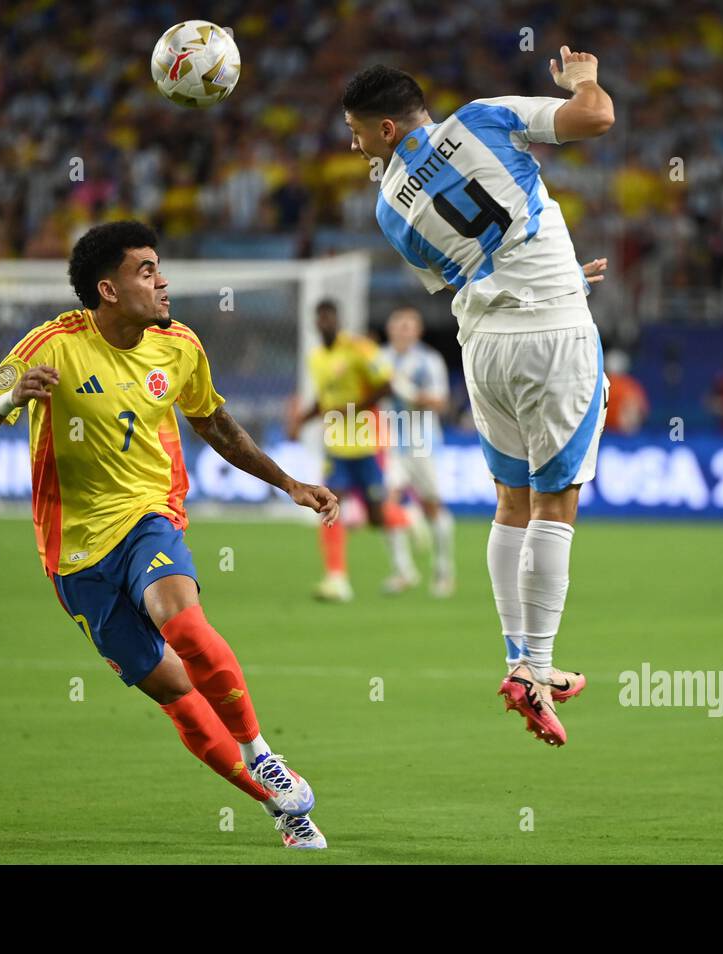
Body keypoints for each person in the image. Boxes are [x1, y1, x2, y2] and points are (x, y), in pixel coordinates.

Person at [0, 221, 338, 849]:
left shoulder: (179, 345)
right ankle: (282, 807)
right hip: (74, 556)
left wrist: (290, 484)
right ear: (108, 288)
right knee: (176, 692)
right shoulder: (49, 345)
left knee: (182, 622)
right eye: (147, 270)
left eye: (160, 267)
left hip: (149, 518)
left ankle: (259, 749)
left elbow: (217, 426)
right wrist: (10, 399)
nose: (163, 281)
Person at [343, 48, 615, 745]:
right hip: (554, 334)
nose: (350, 143)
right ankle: (539, 667)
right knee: (557, 502)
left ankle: (516, 657)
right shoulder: (486, 118)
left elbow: (474, 269)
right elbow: (598, 116)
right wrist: (580, 78)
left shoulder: (388, 211)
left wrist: (558, 275)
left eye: (353, 129)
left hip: (484, 349)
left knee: (511, 502)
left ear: (383, 130)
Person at [289, 299, 416, 601]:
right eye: (321, 319)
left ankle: (407, 518)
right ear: (315, 323)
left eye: (330, 318)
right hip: (336, 448)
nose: (326, 323)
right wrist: (300, 421)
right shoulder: (316, 357)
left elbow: (386, 385)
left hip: (367, 444)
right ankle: (337, 578)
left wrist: (351, 409)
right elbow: (324, 400)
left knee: (375, 517)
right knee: (328, 506)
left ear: (338, 320)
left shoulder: (358, 349)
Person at [380, 306, 456, 596]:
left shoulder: (429, 361)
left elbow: (440, 403)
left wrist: (409, 393)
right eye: (398, 324)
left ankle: (443, 572)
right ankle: (403, 571)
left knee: (432, 505)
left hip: (423, 443)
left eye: (408, 325)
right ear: (390, 329)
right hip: (390, 442)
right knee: (389, 503)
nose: (403, 330)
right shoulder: (380, 359)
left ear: (418, 331)